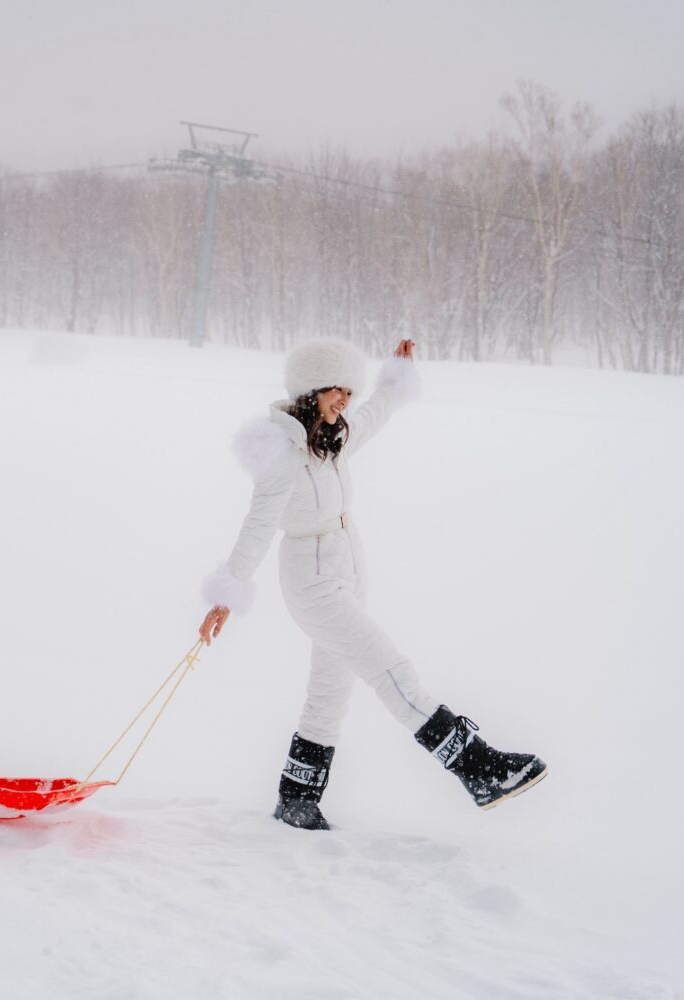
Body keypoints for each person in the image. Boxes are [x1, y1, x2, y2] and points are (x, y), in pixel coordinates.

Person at [198, 337, 547, 830]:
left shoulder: (333, 437)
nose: (345, 399)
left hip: (345, 570)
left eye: (349, 390)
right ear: (310, 390)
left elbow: (379, 411)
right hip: (312, 581)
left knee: (330, 691)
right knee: (391, 671)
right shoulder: (283, 455)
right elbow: (257, 525)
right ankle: (479, 768)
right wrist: (227, 591)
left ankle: (297, 800)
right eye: (336, 390)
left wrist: (395, 376)